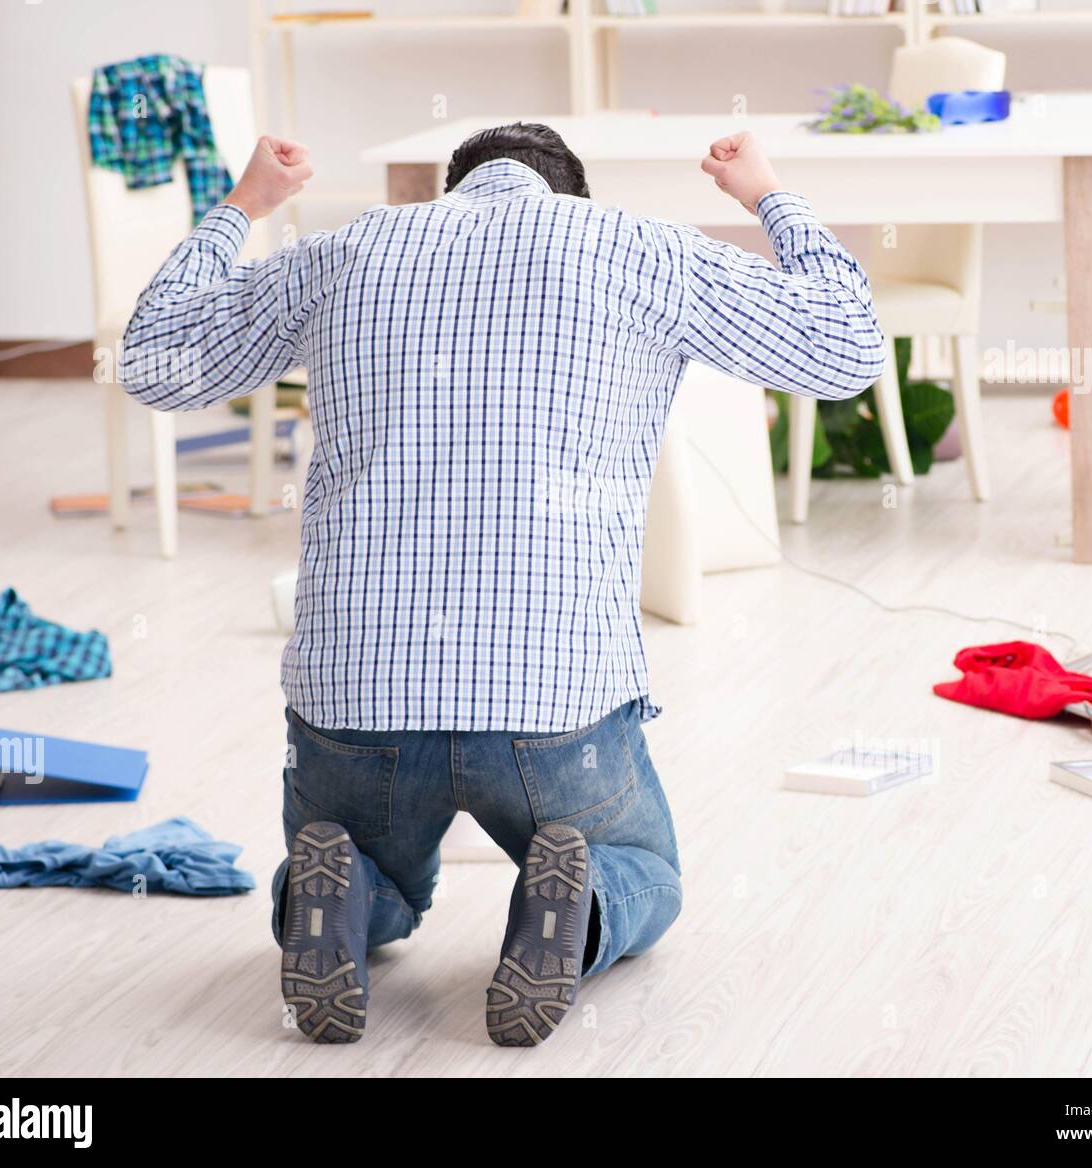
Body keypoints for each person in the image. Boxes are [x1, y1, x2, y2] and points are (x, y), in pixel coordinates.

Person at [121, 121, 884, 1047]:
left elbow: (152, 359)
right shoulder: (641, 250)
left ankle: (351, 885)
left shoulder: (340, 254)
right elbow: (848, 349)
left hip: (357, 699)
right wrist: (764, 194)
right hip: (553, 702)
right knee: (646, 870)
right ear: (573, 198)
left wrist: (247, 204)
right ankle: (582, 898)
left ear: (452, 190)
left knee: (373, 868)